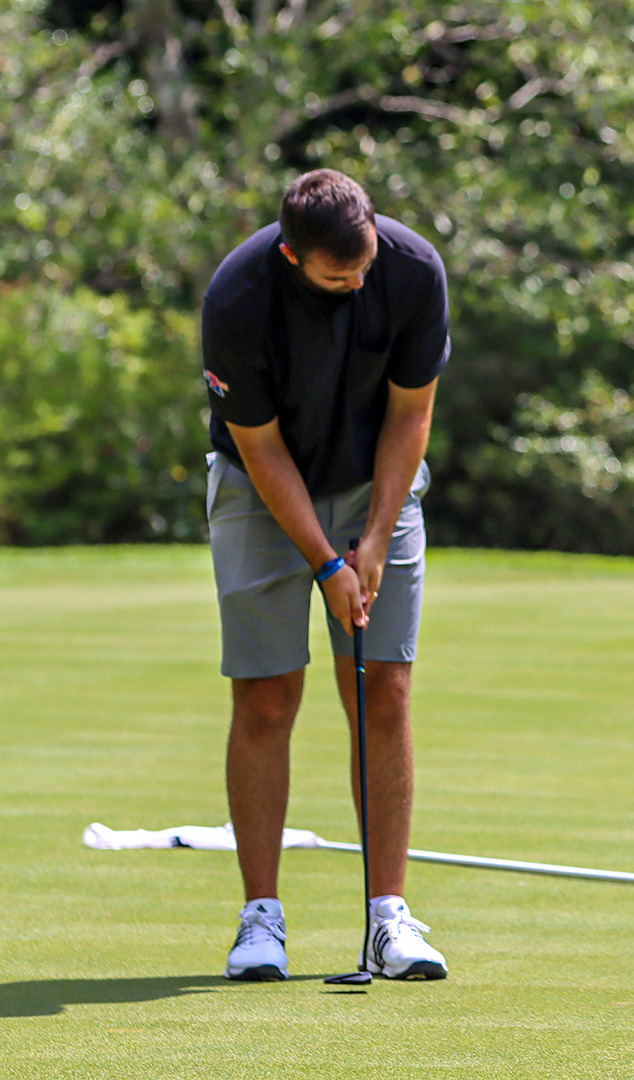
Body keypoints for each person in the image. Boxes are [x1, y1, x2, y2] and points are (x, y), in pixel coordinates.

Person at [201, 169, 450, 981]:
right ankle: (260, 919)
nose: (359, 281)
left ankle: (388, 917)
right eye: (339, 275)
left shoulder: (412, 270)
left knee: (384, 685)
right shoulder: (239, 300)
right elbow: (260, 448)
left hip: (375, 482)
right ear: (291, 256)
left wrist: (374, 539)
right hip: (261, 485)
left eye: (365, 263)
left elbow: (412, 413)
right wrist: (328, 561)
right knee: (267, 693)